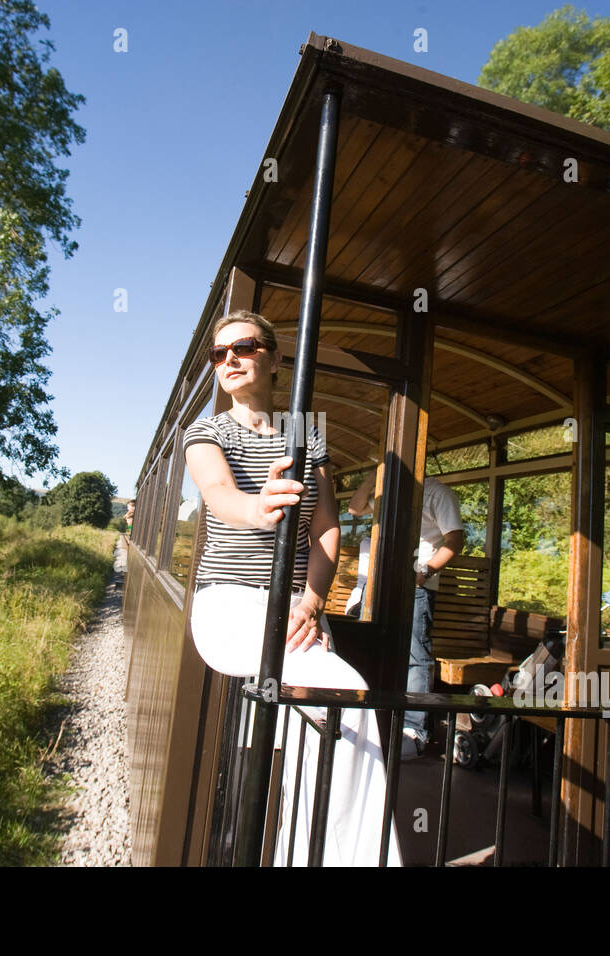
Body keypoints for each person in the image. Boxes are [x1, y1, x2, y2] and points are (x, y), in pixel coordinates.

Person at [184, 309, 401, 867]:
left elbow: (327, 526)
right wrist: (259, 509)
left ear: (277, 359)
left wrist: (312, 599)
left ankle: (307, 852)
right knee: (341, 696)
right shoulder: (207, 432)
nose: (229, 359)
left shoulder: (307, 432)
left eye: (245, 347)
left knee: (321, 731)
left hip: (297, 606)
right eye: (219, 353)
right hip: (231, 601)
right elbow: (220, 495)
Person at [348, 468, 464, 758]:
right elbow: (354, 508)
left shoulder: (439, 493)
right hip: (377, 581)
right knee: (367, 648)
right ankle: (366, 718)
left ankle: (414, 732)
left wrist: (423, 573)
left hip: (414, 586)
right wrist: (370, 477)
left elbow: (456, 539)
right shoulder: (390, 491)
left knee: (415, 656)